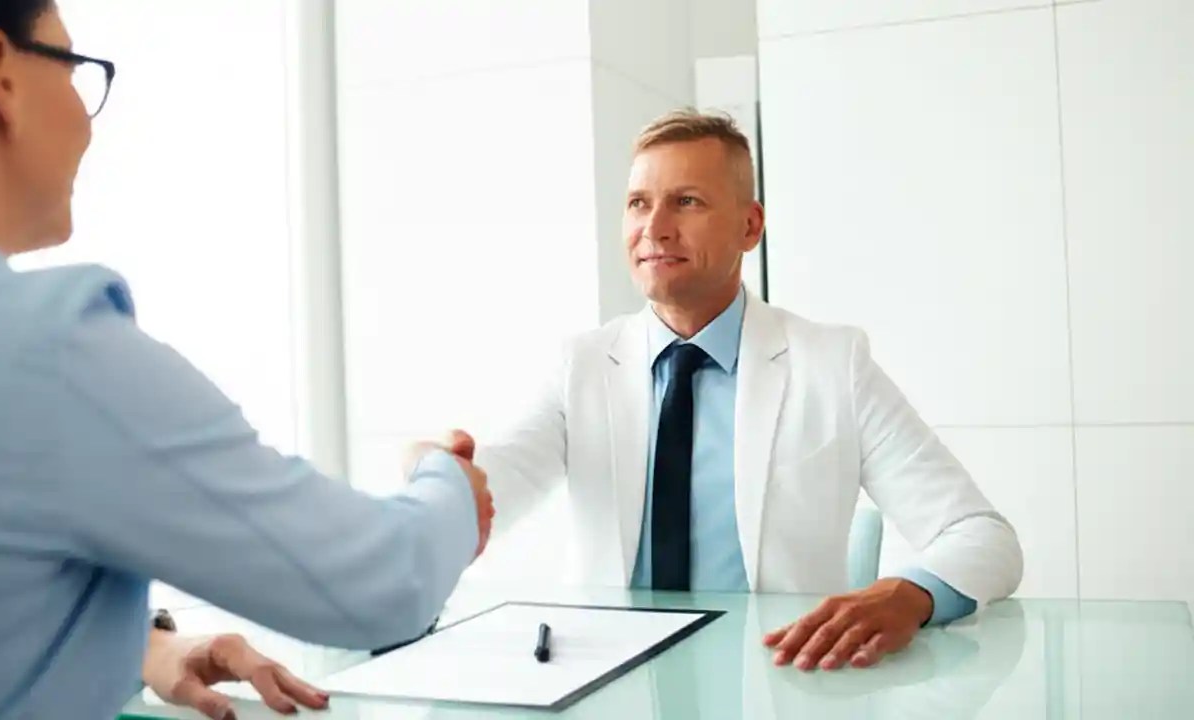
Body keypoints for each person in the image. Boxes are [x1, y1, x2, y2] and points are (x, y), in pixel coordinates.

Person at [0, 2, 494, 718]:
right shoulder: (36, 347)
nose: (87, 120)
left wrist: (145, 648)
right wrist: (449, 483)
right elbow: (382, 581)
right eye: (72, 68)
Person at [431, 109, 1022, 672]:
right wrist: (441, 484)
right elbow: (493, 491)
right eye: (639, 203)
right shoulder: (580, 365)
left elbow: (982, 536)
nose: (655, 228)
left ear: (750, 225)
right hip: (613, 688)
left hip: (779, 684)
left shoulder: (832, 362)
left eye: (686, 201)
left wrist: (909, 593)